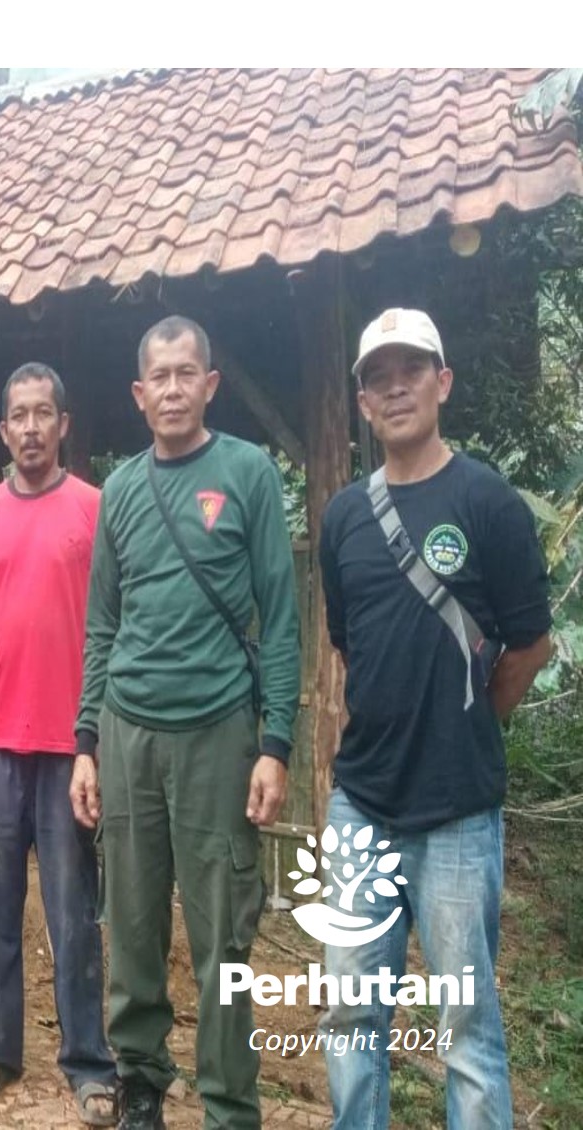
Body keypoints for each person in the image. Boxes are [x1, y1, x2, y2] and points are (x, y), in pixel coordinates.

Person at [317, 309, 553, 1130]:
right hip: (360, 803)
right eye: (378, 376)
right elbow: (350, 646)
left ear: (441, 382)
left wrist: (468, 725)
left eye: (410, 369)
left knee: (466, 1027)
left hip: (456, 810)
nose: (395, 387)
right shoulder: (344, 516)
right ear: (362, 400)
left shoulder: (488, 502)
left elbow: (530, 643)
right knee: (349, 1016)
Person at [70, 315, 302, 1130]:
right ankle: (139, 1081)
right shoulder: (122, 490)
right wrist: (86, 743)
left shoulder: (248, 474)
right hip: (128, 731)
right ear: (138, 395)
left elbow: (278, 619)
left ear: (209, 384)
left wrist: (275, 746)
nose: (171, 388)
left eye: (186, 373)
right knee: (129, 927)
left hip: (217, 734)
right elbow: (102, 624)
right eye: (157, 376)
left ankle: (229, 1104)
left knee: (222, 940)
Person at [0, 363, 118, 1123]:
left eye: (42, 413)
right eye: (17, 415)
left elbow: (114, 625)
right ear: (1, 430)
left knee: (72, 910)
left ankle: (87, 1062)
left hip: (66, 744)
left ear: (63, 424)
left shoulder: (95, 507)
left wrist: (100, 738)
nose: (29, 428)